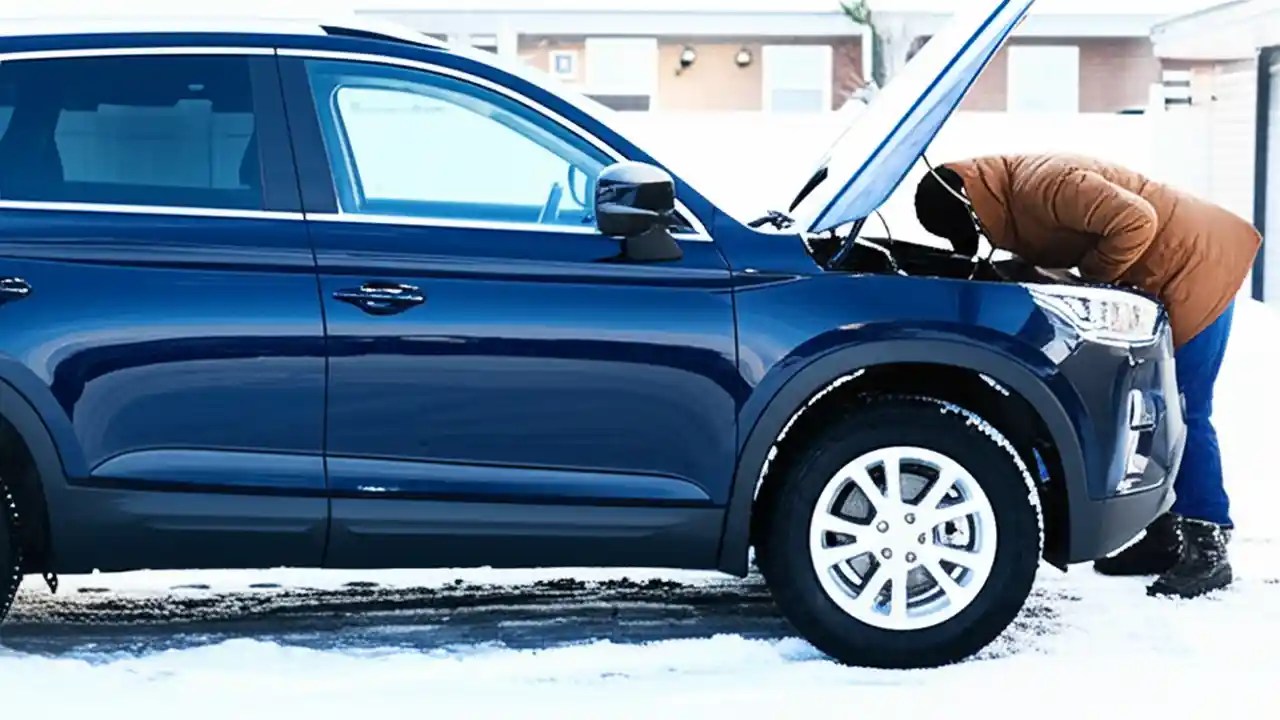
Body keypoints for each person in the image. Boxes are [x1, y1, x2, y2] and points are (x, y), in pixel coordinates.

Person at [913, 153, 1261, 599]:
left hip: (1197, 262)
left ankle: (1207, 544)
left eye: (972, 229)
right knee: (1154, 405)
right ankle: (1165, 536)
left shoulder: (1044, 186)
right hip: (1169, 264)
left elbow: (1137, 222)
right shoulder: (1010, 189)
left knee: (1184, 407)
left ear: (971, 204)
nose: (979, 237)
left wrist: (1089, 284)